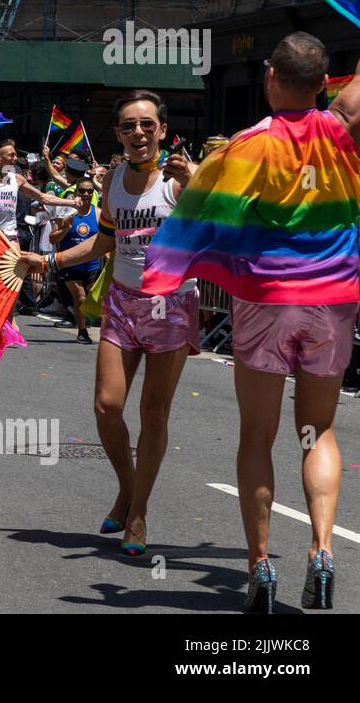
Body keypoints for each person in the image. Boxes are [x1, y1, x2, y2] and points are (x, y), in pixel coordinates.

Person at [144, 32, 360, 611]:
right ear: (323, 83)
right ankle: (321, 550)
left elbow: (196, 218)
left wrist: (164, 273)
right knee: (317, 431)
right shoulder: (342, 130)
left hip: (267, 304)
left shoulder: (243, 146)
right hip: (334, 303)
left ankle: (260, 564)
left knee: (257, 435)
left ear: (269, 75)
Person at [23, 90, 198, 559]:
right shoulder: (113, 180)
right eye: (127, 126)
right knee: (106, 406)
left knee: (153, 414)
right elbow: (102, 244)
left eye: (146, 124)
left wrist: (198, 184)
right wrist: (47, 260)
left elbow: (219, 228)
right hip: (121, 303)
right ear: (118, 134)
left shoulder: (181, 181)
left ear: (162, 130)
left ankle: (137, 512)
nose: (137, 133)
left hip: (170, 307)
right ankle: (128, 488)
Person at [48, 177, 101, 344]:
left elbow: (105, 238)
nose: (85, 194)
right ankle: (82, 330)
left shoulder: (98, 213)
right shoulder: (64, 212)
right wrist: (66, 228)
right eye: (82, 191)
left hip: (91, 263)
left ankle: (91, 322)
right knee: (80, 296)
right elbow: (53, 239)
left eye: (89, 191)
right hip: (70, 263)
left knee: (94, 298)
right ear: (75, 192)